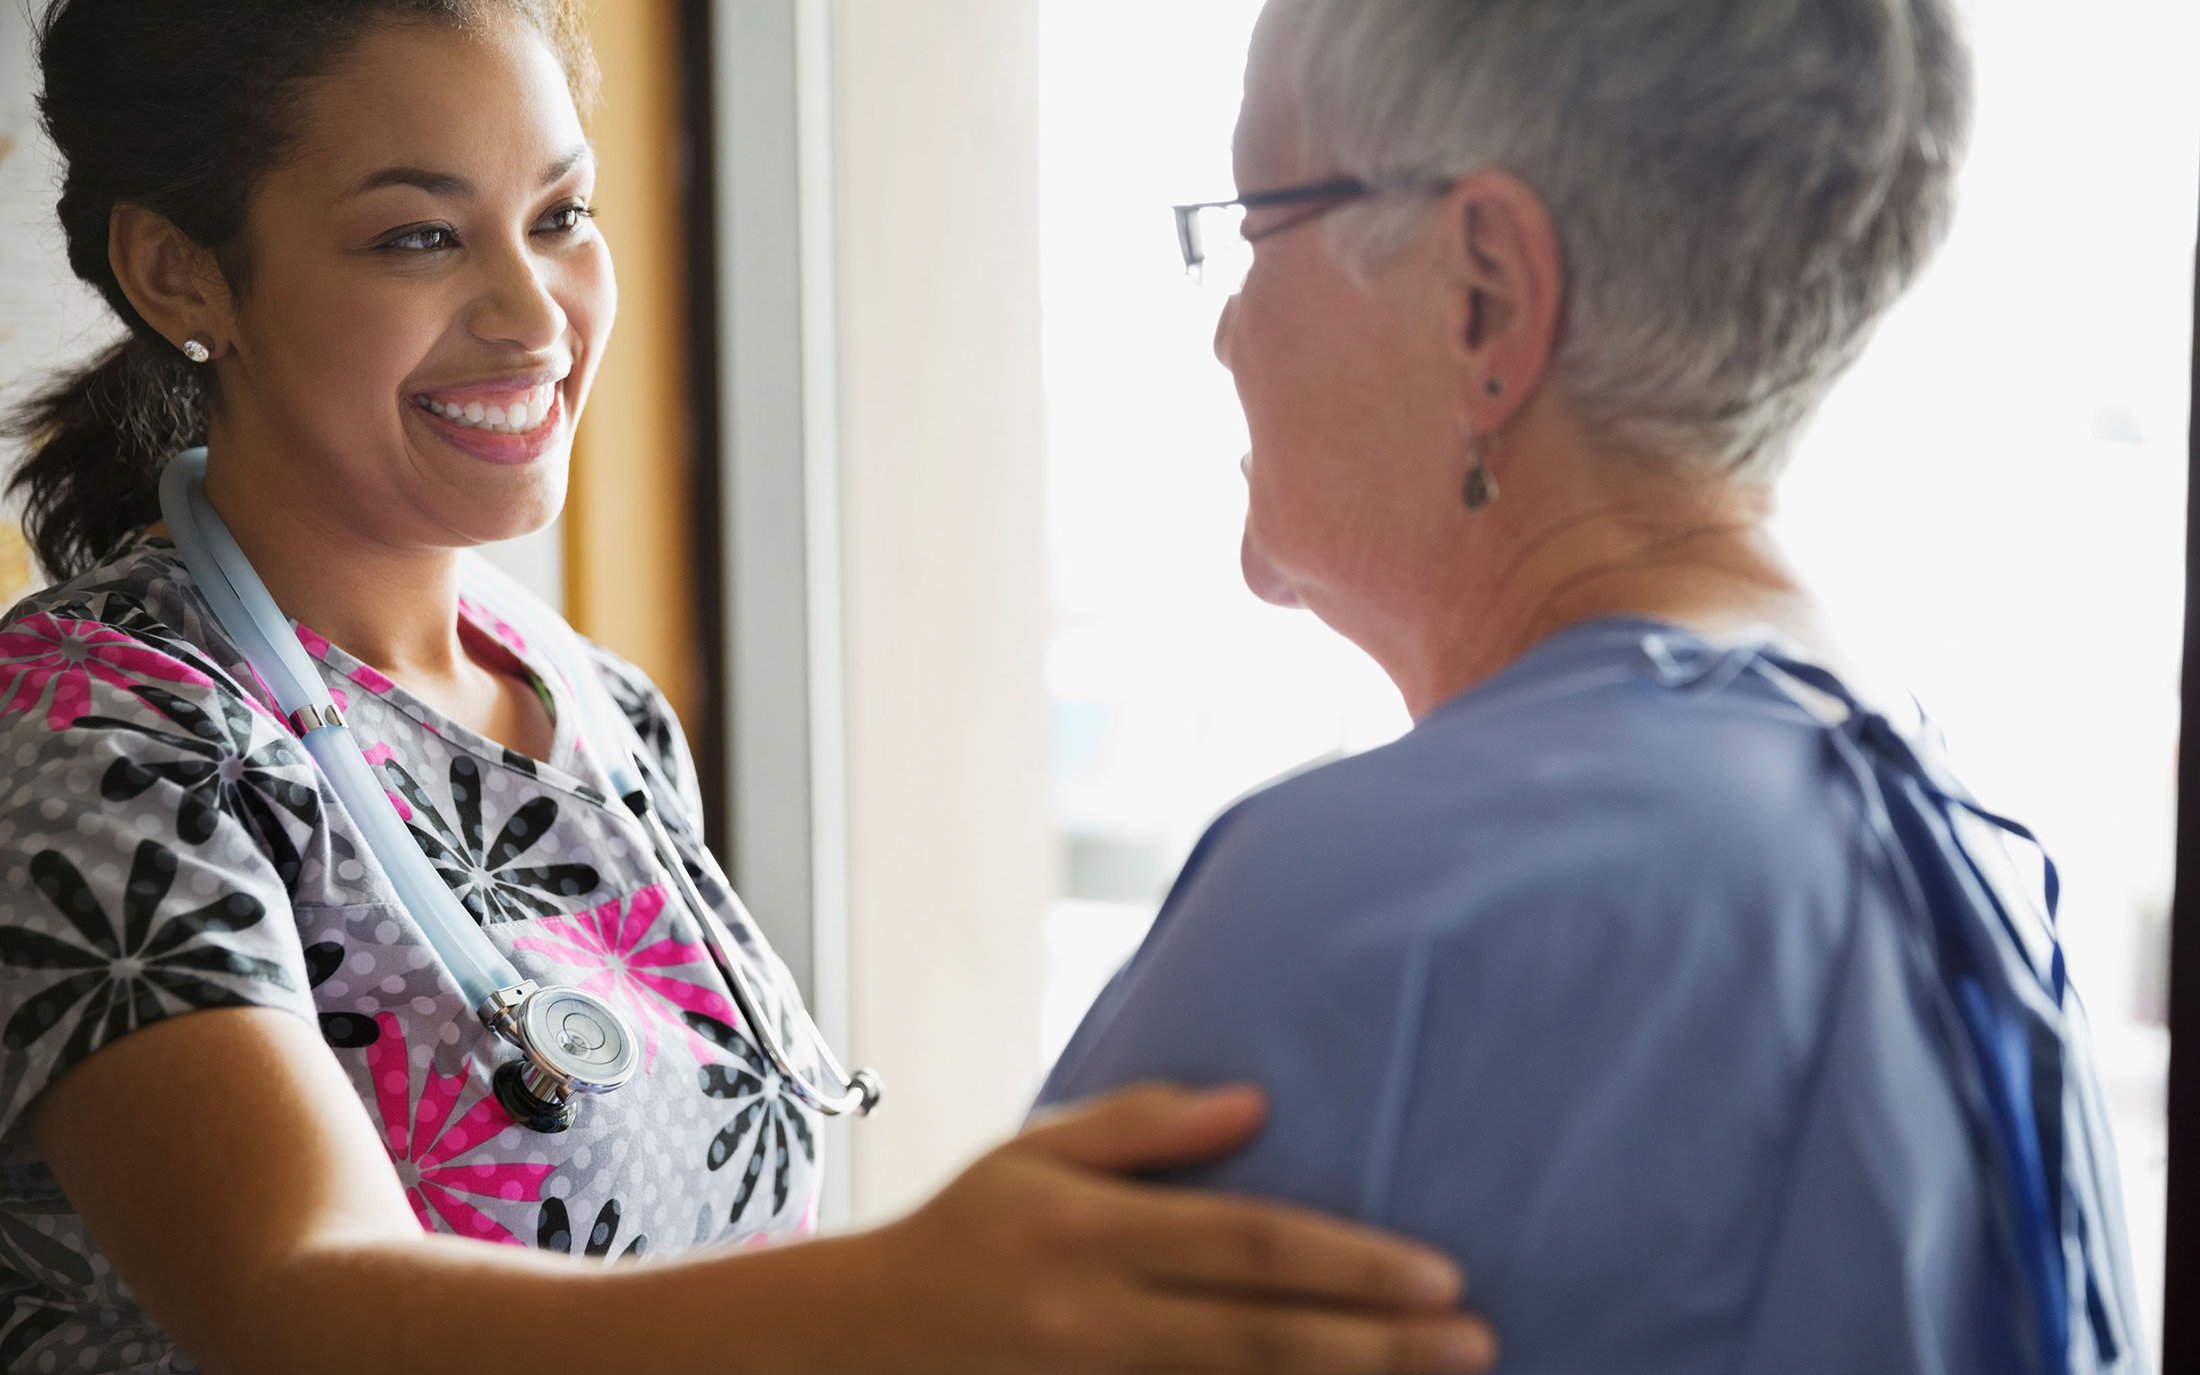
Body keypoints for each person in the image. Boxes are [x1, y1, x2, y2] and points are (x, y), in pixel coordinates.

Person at [0, 3, 1504, 1372]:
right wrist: (915, 1289)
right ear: (176, 267)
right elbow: (295, 1303)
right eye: (418, 239)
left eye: (561, 216)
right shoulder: (83, 727)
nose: (535, 315)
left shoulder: (600, 714)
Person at [1038, 1, 2145, 1371]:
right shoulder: (1964, 875)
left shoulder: (1378, 907)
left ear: (1483, 297)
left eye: (1257, 224)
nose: (1223, 333)